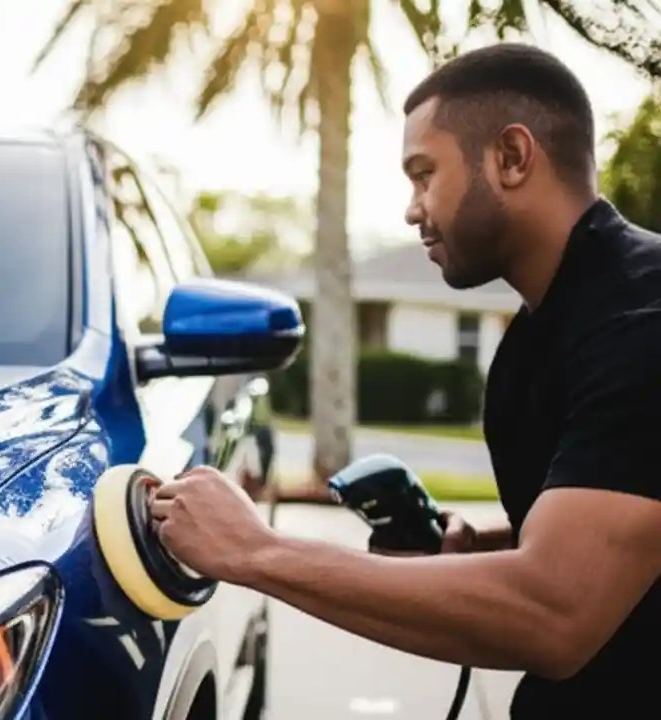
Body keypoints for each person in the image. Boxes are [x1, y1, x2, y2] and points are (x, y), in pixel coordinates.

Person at [149, 42, 661, 719]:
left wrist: (255, 550)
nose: (413, 210)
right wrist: (483, 550)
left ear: (512, 157)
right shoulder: (552, 326)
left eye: (424, 175)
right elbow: (621, 537)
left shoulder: (643, 322)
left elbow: (555, 611)